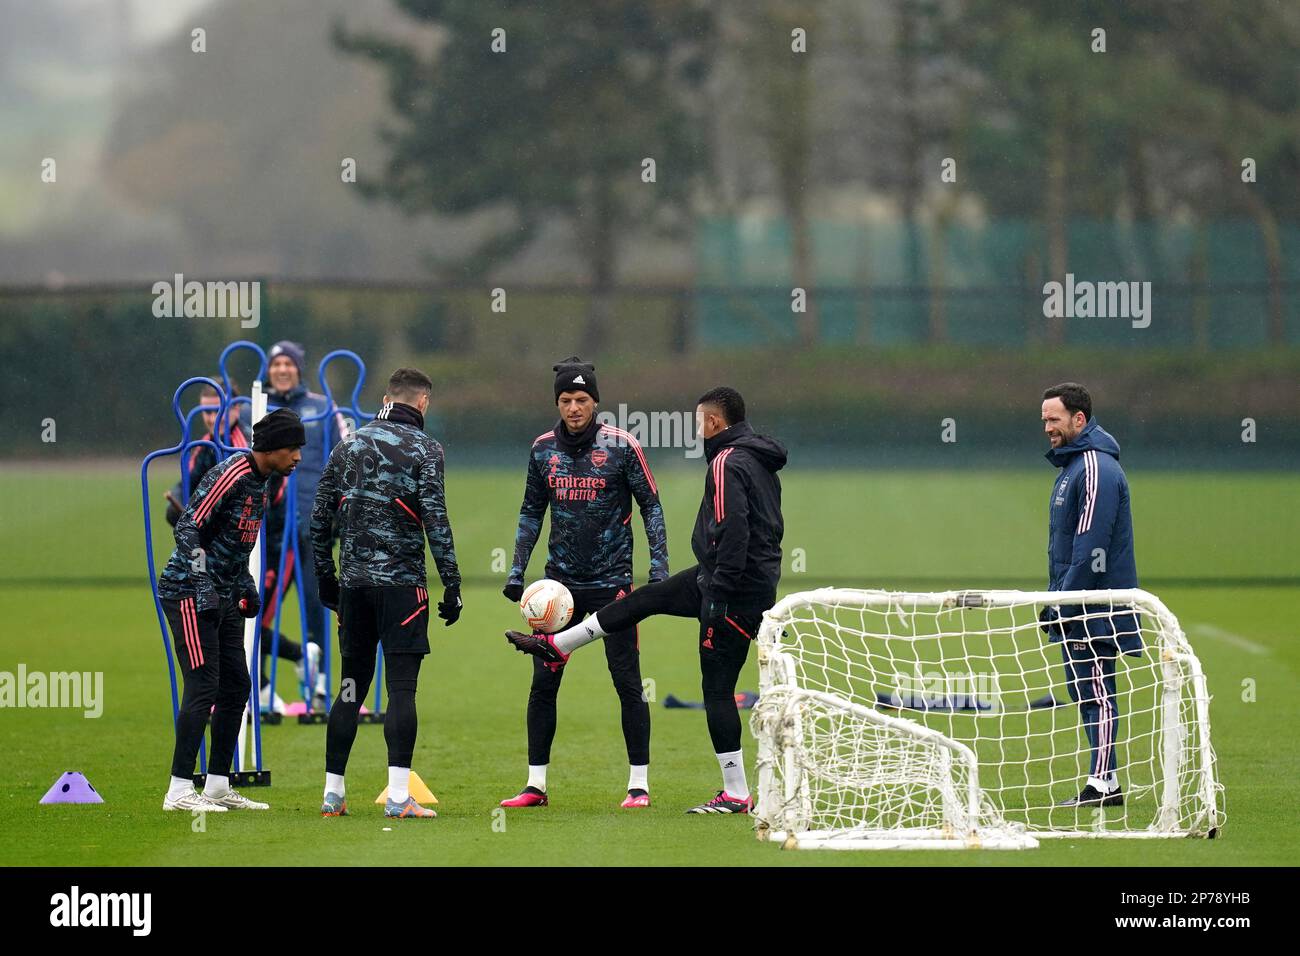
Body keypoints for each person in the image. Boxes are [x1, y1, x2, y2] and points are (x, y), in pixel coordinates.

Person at [507, 386, 786, 814]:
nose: (697, 430)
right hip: (722, 578)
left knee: (716, 690)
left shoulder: (728, 461)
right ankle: (560, 643)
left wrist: (721, 594)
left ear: (712, 423)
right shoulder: (757, 458)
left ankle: (736, 794)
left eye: (698, 422)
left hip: (731, 589)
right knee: (650, 598)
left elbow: (735, 530)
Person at [499, 357, 669, 810]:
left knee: (626, 680)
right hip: (559, 590)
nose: (574, 407)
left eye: (581, 399)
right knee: (544, 682)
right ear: (557, 402)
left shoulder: (622, 446)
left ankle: (639, 785)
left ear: (595, 401)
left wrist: (659, 569)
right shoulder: (541, 450)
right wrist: (518, 570)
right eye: (565, 400)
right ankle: (535, 785)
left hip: (613, 583)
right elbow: (531, 510)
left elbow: (651, 505)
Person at [310, 368, 462, 819]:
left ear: (385, 398)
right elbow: (436, 520)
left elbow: (319, 521)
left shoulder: (348, 445)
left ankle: (332, 794)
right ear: (423, 403)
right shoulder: (426, 449)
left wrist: (326, 579)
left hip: (354, 588)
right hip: (403, 589)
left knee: (350, 689)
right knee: (402, 691)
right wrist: (452, 584)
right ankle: (398, 797)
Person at [156, 408, 306, 812]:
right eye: (292, 449)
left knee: (238, 685)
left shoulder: (263, 484)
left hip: (224, 595)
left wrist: (248, 586)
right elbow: (188, 526)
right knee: (204, 685)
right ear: (271, 447)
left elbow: (236, 546)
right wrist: (203, 584)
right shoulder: (232, 473)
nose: (297, 458)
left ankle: (218, 785)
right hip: (187, 591)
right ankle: (178, 791)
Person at [1039, 382, 1142, 808]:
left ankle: (1103, 785)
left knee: (1096, 695)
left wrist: (1063, 600)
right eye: (1044, 419)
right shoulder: (1074, 467)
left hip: (1091, 605)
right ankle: (1106, 780)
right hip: (1077, 601)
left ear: (1079, 419)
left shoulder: (1095, 467)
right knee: (1086, 694)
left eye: (1054, 418)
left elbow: (1091, 546)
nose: (1047, 427)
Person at [246, 341, 349, 711]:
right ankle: (261, 685)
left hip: (313, 522)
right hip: (267, 529)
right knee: (257, 608)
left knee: (318, 601)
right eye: (277, 364)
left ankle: (320, 682)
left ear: (300, 368)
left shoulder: (322, 406)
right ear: (269, 370)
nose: (283, 369)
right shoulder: (255, 407)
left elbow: (344, 456)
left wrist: (337, 511)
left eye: (289, 363)